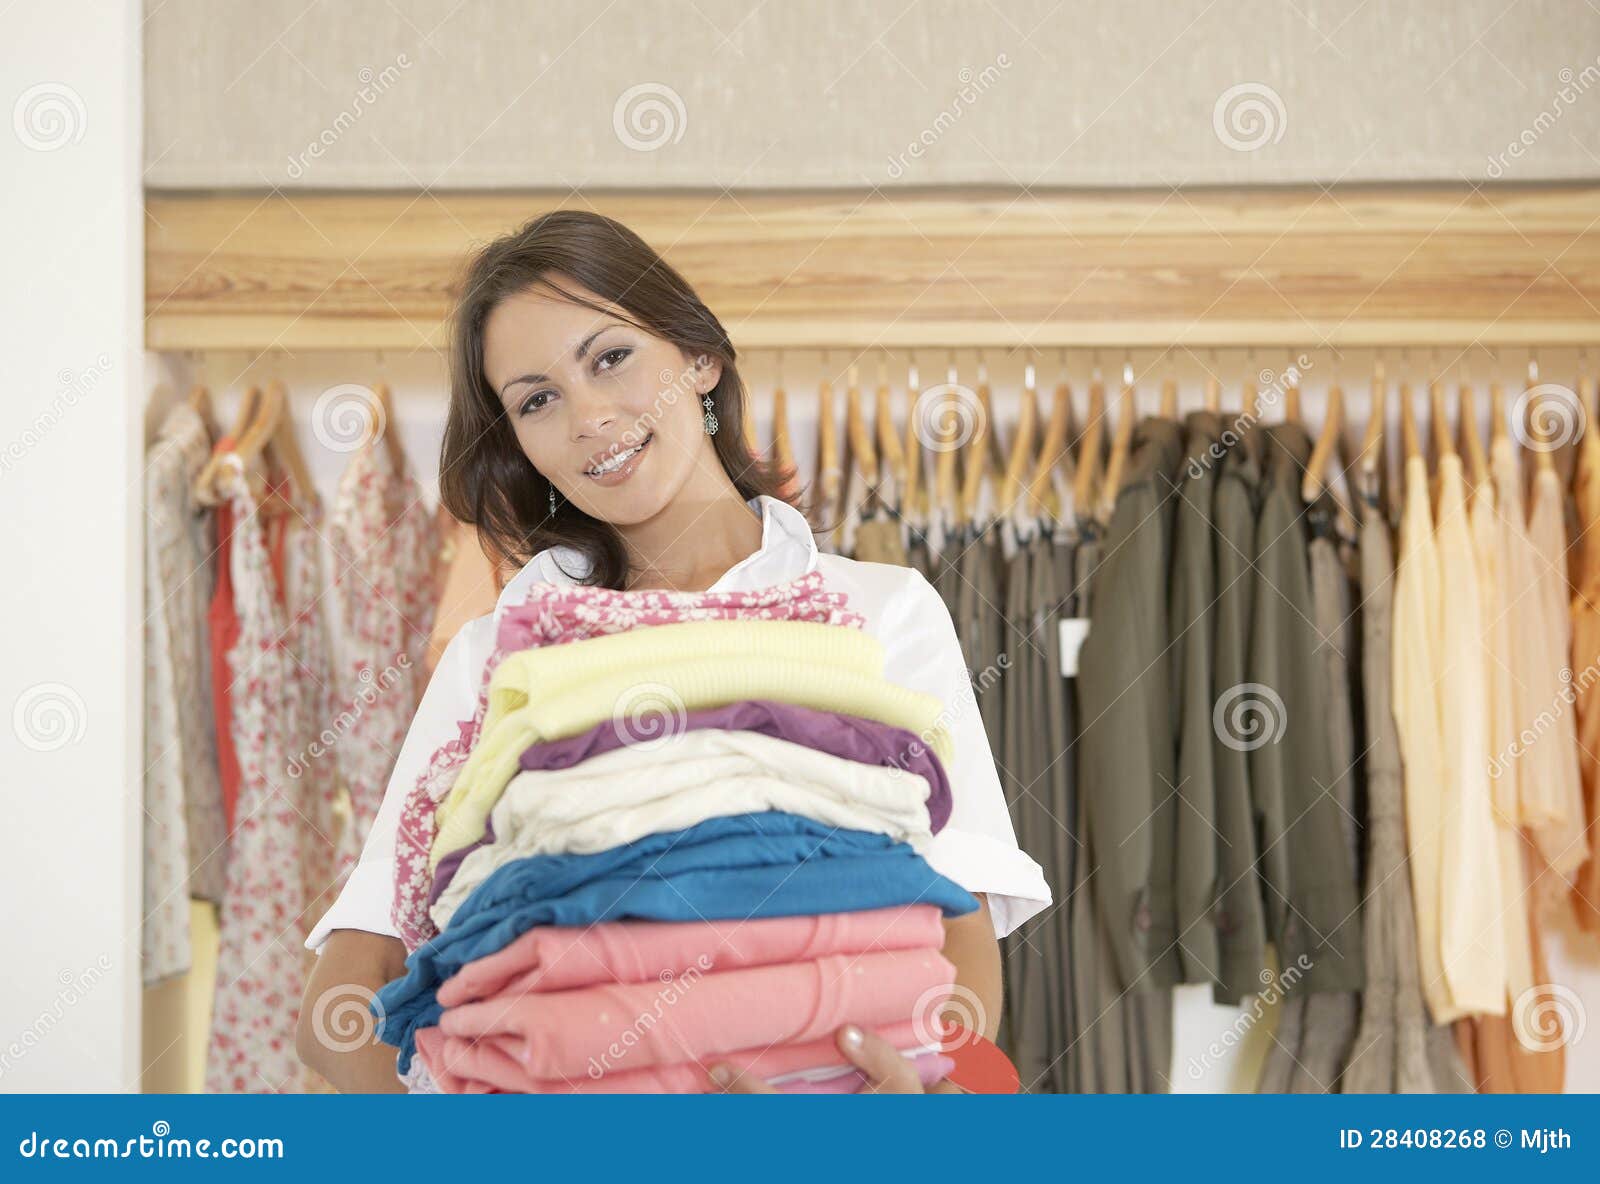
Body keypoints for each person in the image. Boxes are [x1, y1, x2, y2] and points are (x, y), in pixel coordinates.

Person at [296, 209, 1050, 1093]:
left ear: (700, 358)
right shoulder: (496, 655)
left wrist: (914, 1102)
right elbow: (342, 1001)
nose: (589, 417)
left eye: (610, 357)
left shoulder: (876, 613)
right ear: (521, 444)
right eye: (537, 399)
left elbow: (956, 922)